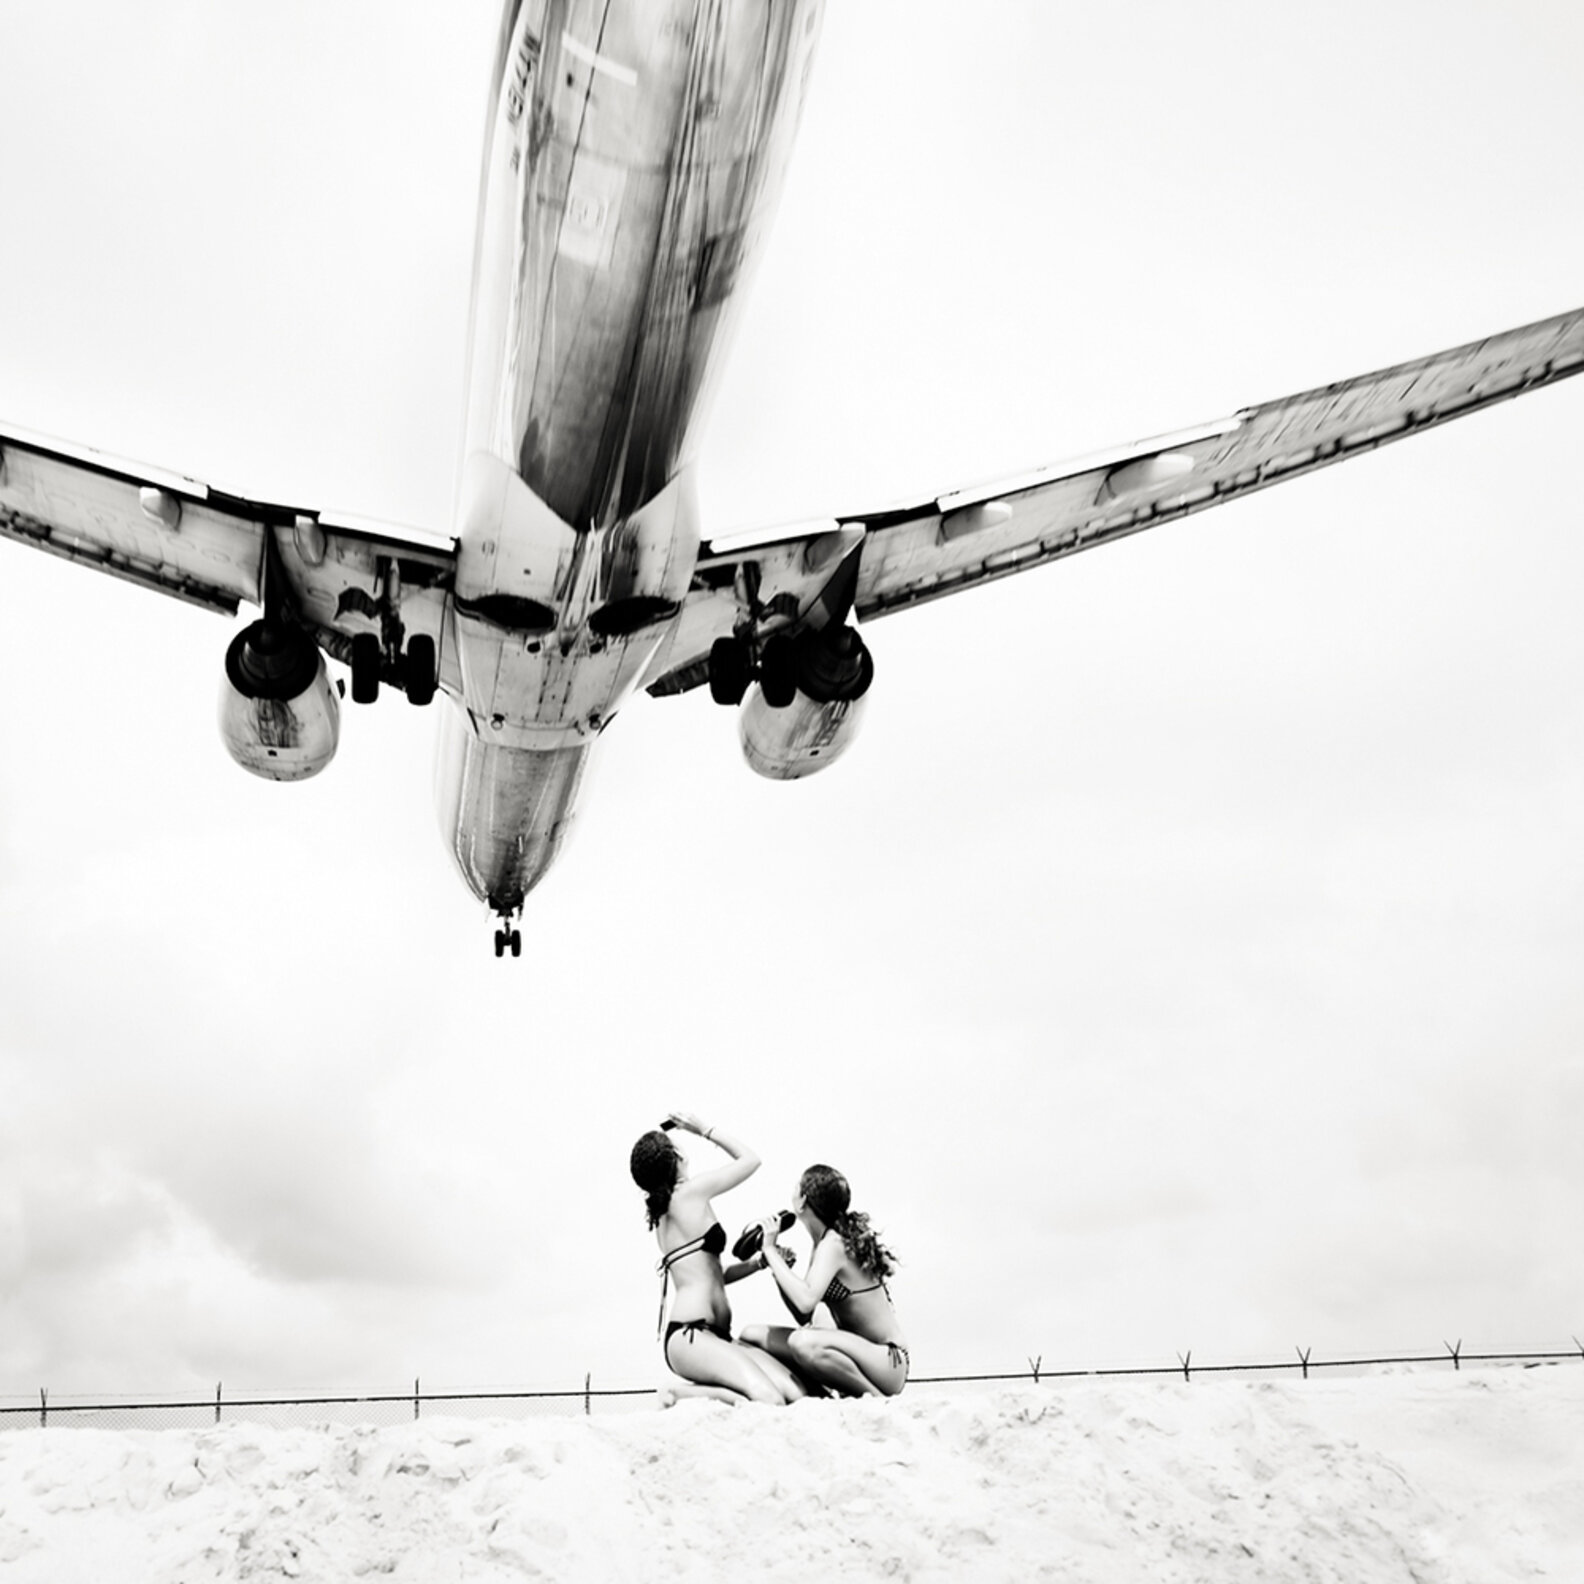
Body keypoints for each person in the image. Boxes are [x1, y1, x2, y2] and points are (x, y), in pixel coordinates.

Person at [629, 1112, 806, 1406]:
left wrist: (758, 1263)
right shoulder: (688, 1193)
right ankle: (678, 1394)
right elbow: (750, 1160)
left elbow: (709, 1275)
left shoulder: (666, 1213)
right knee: (768, 1399)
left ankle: (727, 1393)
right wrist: (703, 1129)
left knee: (795, 1394)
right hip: (691, 1335)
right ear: (675, 1155)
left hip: (712, 1337)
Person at [738, 1163, 909, 1397]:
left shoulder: (834, 1243)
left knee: (803, 1343)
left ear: (802, 1201)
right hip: (856, 1353)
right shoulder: (822, 1243)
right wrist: (780, 1270)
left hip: (888, 1362)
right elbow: (804, 1315)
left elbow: (806, 1301)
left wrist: (769, 1249)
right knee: (752, 1335)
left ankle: (875, 1401)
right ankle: (820, 1397)